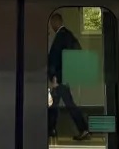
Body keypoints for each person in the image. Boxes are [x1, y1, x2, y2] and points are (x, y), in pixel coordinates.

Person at [48, 13, 90, 141]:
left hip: (60, 77)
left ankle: (82, 129)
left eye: (51, 23)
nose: (51, 26)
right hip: (65, 75)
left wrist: (54, 77)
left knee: (61, 104)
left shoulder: (60, 36)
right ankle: (51, 129)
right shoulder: (69, 35)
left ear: (56, 22)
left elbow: (54, 58)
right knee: (55, 103)